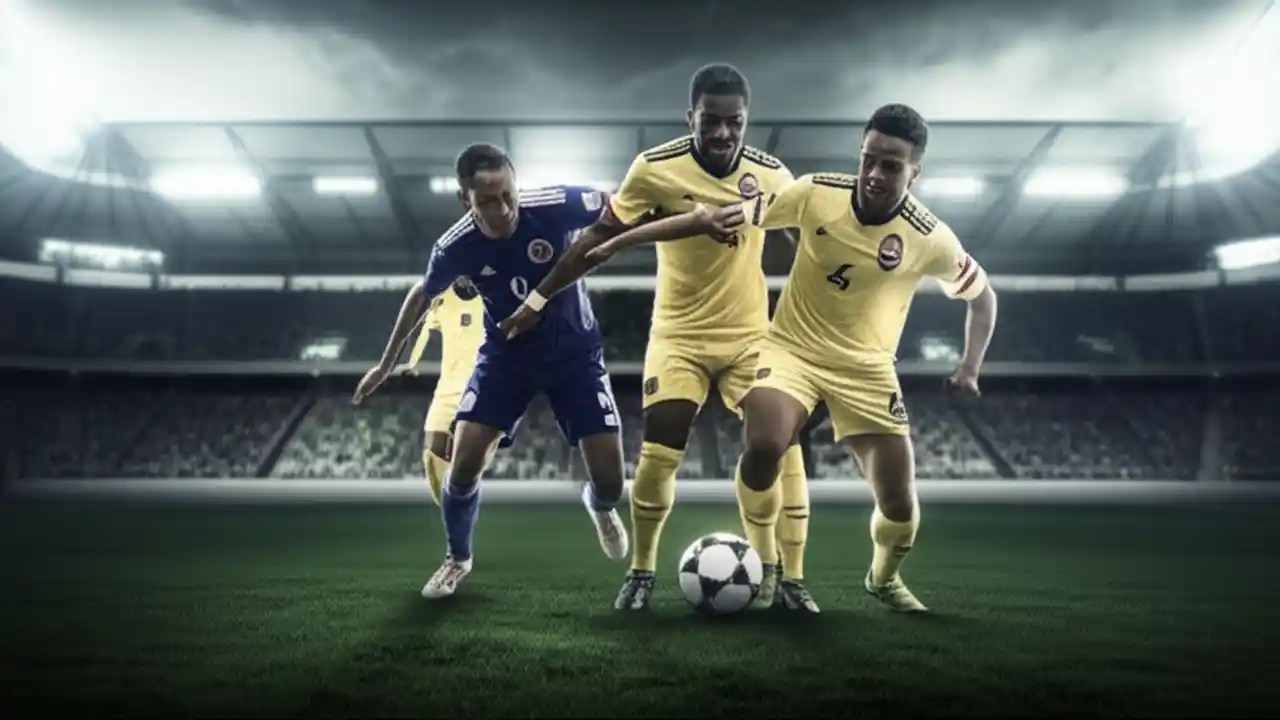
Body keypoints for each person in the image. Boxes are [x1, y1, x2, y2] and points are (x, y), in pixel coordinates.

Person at [358, 141, 744, 600]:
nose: (503, 208)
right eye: (487, 200)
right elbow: (423, 294)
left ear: (516, 181)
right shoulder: (454, 246)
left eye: (508, 194)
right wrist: (387, 363)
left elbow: (627, 204)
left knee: (610, 481)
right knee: (463, 467)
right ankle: (457, 558)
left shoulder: (557, 203)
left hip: (574, 357)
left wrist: (696, 214)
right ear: (465, 200)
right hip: (506, 359)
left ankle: (598, 506)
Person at [499, 63, 816, 613]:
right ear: (689, 116)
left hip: (751, 338)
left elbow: (809, 244)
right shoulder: (654, 168)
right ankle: (642, 570)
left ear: (747, 120)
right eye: (710, 120)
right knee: (659, 449)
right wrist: (537, 299)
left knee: (782, 447)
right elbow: (598, 238)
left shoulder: (772, 174)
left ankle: (788, 576)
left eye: (734, 122)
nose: (722, 133)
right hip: (678, 336)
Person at [732, 103, 998, 612]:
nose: (875, 174)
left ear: (915, 171)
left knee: (899, 505)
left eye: (891, 165)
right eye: (868, 159)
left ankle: (882, 578)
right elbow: (747, 215)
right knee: (765, 442)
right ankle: (767, 566)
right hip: (792, 348)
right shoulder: (814, 193)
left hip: (867, 367)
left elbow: (984, 298)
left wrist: (969, 367)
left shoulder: (931, 238)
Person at [353, 277, 486, 506]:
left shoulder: (496, 286)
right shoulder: (440, 291)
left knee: (467, 463)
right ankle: (456, 512)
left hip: (485, 388)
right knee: (434, 464)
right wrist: (387, 367)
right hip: (449, 388)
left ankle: (462, 514)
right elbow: (417, 312)